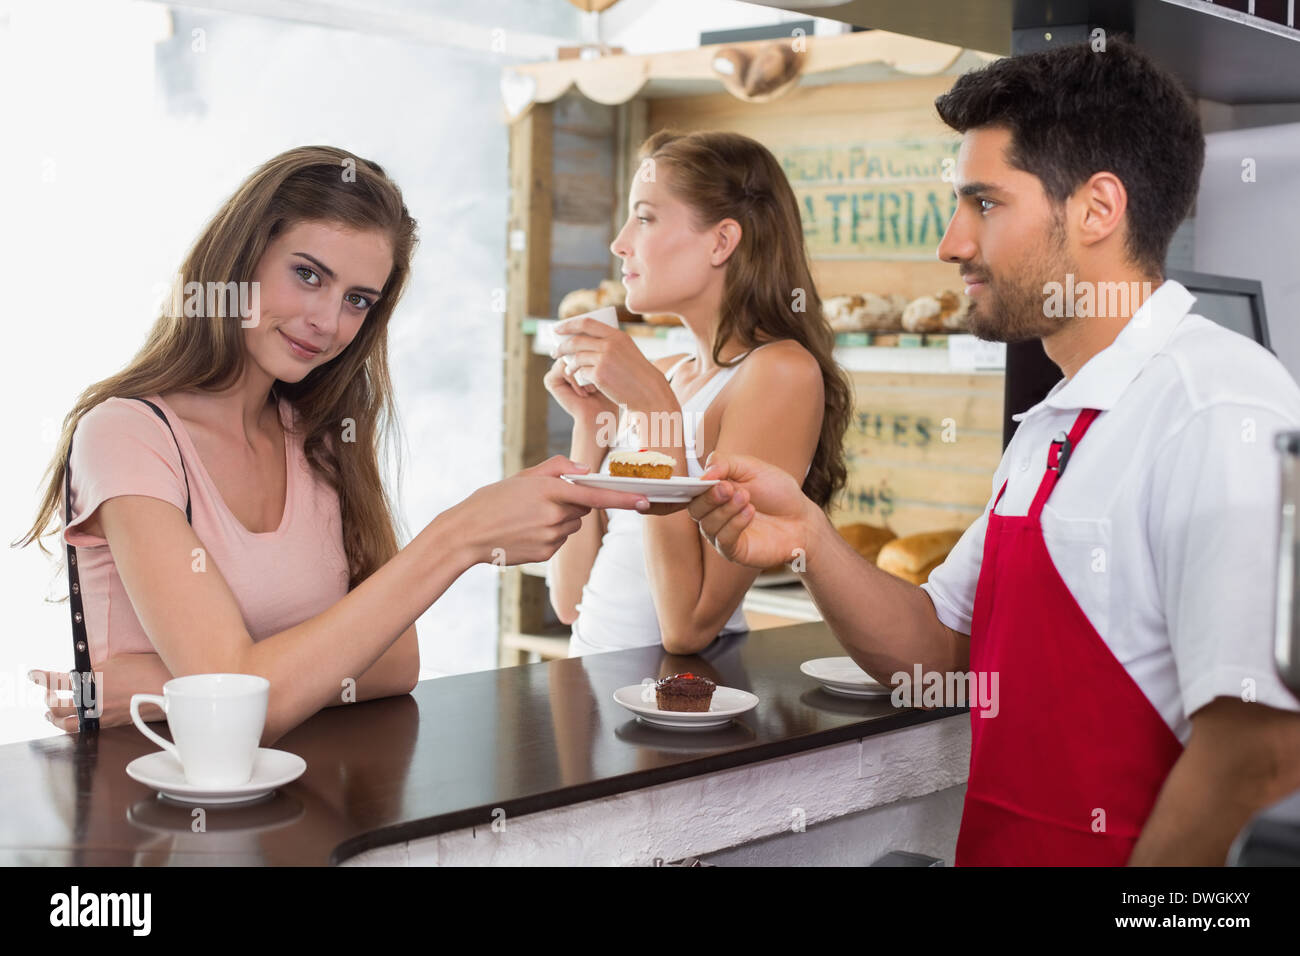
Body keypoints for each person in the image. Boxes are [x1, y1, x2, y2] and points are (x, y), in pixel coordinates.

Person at [687, 38, 1300, 865]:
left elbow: (1259, 743)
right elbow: (941, 651)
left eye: (984, 203)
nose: (950, 243)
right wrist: (806, 540)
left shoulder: (1217, 406)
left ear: (1097, 208)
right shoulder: (1054, 421)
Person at [19, 145, 650, 743]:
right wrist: (457, 538)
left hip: (297, 804)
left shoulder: (319, 435)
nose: (328, 322)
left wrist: (164, 684)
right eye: (307, 275)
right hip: (151, 813)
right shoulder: (125, 435)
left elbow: (397, 660)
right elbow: (241, 717)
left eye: (357, 300)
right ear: (238, 262)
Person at [545, 130, 851, 657]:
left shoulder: (780, 373)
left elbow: (687, 627)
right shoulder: (666, 373)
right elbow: (570, 602)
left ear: (721, 241)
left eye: (644, 217)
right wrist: (589, 423)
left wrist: (652, 408)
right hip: (590, 689)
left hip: (671, 706)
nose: (619, 242)